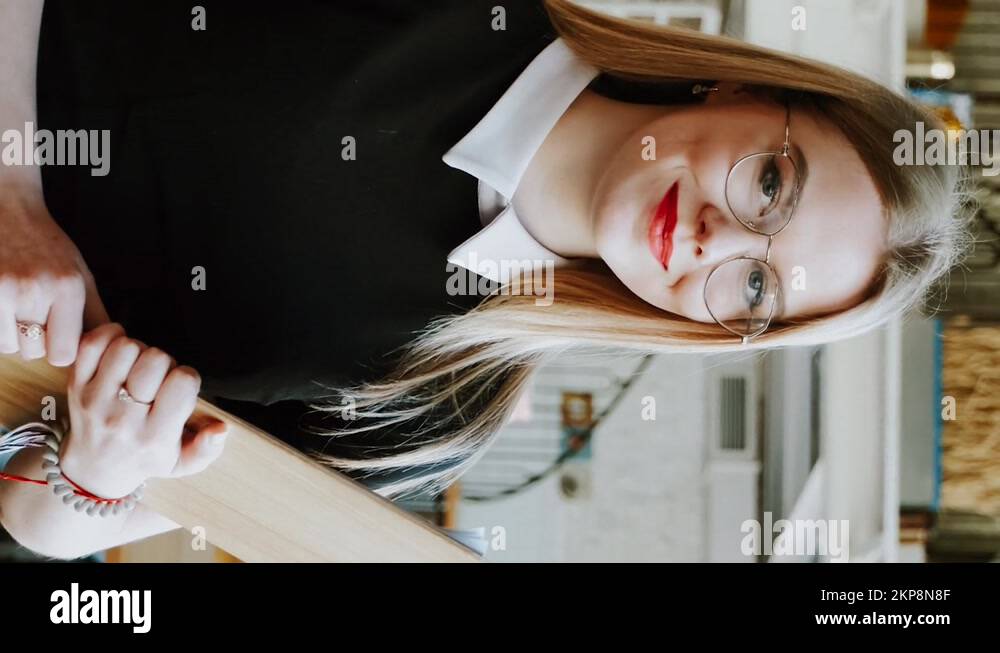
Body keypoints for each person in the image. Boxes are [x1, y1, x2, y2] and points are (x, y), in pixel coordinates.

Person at [0, 0, 972, 558]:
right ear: (746, 90)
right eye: (769, 181)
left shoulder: (439, 412)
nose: (719, 240)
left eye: (757, 286)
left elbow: (40, 518)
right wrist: (14, 193)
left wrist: (99, 468)